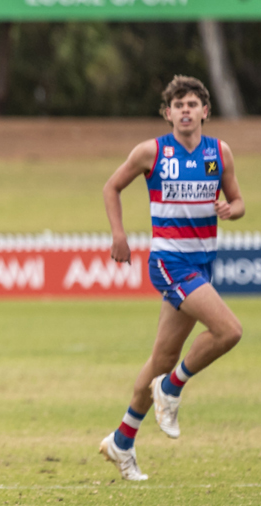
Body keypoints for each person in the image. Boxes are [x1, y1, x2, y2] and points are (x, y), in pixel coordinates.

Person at [96, 76, 245, 482]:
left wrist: (232, 209)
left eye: (192, 103)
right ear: (167, 114)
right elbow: (112, 187)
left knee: (160, 358)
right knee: (229, 331)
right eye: (178, 104)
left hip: (202, 264)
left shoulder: (219, 153)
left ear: (205, 111)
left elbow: (238, 200)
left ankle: (121, 441)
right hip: (169, 261)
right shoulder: (152, 152)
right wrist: (119, 235)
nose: (185, 110)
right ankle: (173, 387)